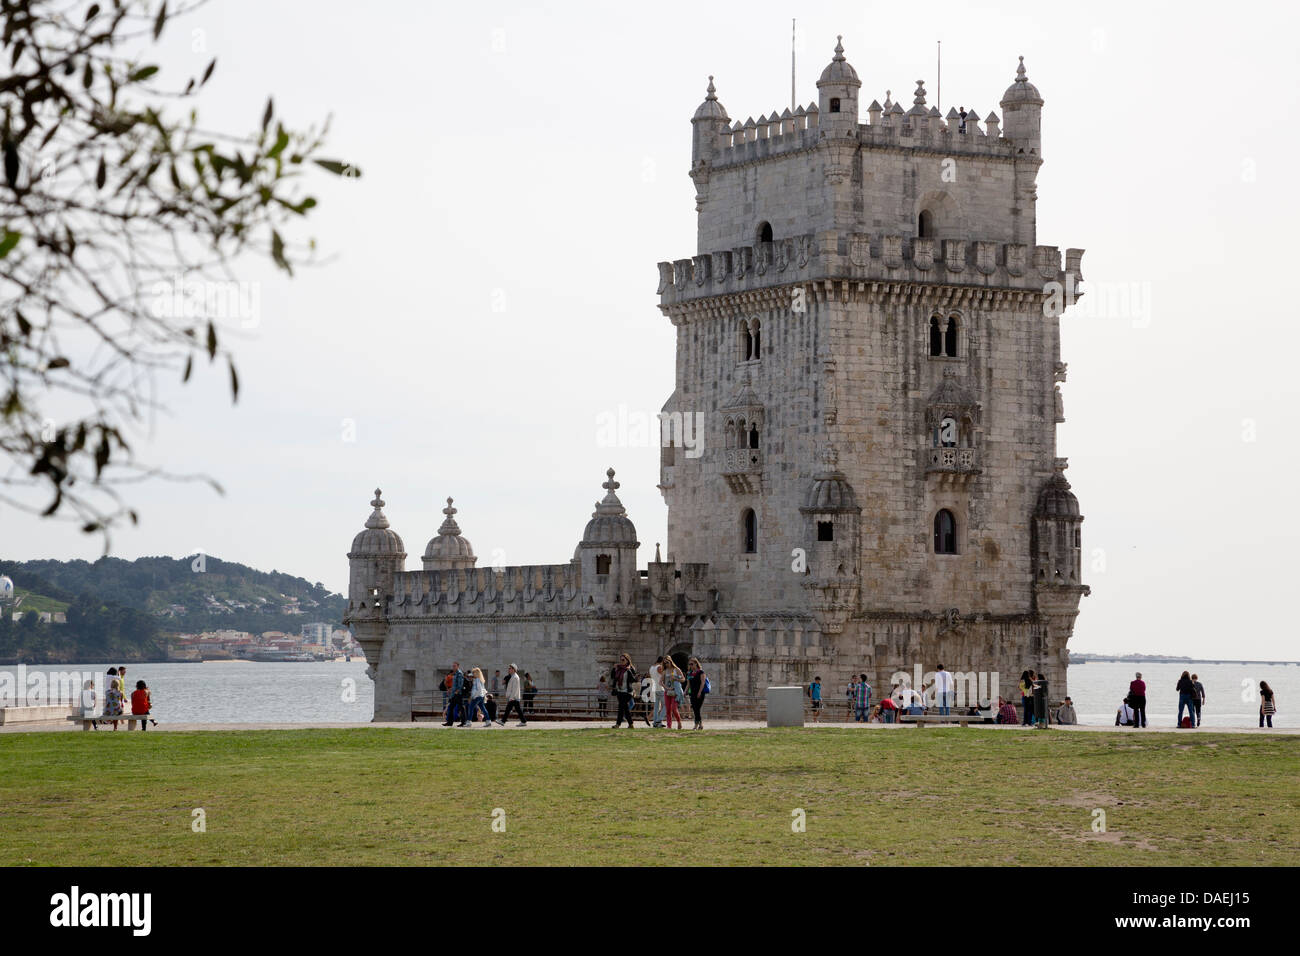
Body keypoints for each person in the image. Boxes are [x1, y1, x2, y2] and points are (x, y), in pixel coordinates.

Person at [611, 654, 638, 729]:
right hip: (619, 690)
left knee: (621, 707)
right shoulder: (618, 668)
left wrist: (629, 670)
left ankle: (618, 724)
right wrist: (613, 669)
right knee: (625, 708)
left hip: (627, 691)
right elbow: (612, 677)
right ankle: (631, 724)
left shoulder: (631, 668)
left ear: (627, 660)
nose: (621, 661)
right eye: (621, 660)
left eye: (623, 660)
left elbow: (634, 680)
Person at [662, 658, 684, 729]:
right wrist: (667, 688)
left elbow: (683, 679)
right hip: (667, 692)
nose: (666, 664)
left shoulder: (676, 669)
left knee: (674, 708)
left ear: (671, 662)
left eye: (667, 662)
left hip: (676, 691)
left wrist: (676, 679)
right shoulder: (665, 671)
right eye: (665, 663)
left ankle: (679, 721)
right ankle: (669, 726)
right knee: (668, 709)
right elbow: (660, 682)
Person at [687, 658, 708, 730]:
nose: (690, 665)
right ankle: (700, 724)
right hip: (692, 693)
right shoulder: (689, 673)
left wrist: (699, 692)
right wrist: (685, 691)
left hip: (700, 693)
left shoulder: (701, 672)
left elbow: (703, 683)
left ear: (696, 663)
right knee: (695, 709)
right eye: (689, 664)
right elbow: (688, 684)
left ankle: (696, 725)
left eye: (692, 664)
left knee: (697, 709)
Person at [649, 656, 665, 728]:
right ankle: (659, 720)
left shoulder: (651, 667)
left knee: (656, 707)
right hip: (660, 688)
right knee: (666, 705)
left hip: (653, 688)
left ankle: (656, 722)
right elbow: (663, 676)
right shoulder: (659, 667)